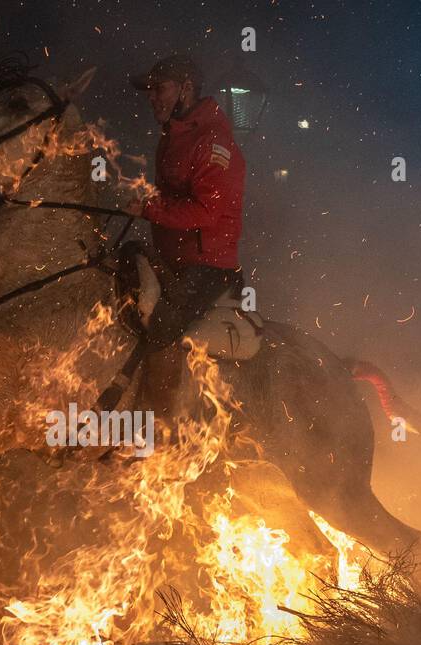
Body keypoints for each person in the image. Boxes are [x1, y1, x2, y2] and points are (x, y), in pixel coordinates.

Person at [125, 54, 245, 413]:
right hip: (172, 256)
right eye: (149, 90)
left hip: (207, 265)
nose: (152, 97)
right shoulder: (173, 135)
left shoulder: (213, 142)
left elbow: (207, 212)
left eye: (159, 88)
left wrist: (149, 208)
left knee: (162, 326)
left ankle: (161, 427)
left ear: (186, 89)